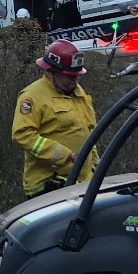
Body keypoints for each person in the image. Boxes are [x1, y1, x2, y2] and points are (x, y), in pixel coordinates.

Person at [12, 39, 99, 196]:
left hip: (82, 182)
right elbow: (22, 135)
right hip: (48, 186)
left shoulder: (78, 94)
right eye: (69, 77)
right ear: (51, 72)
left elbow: (87, 130)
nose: (74, 81)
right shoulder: (32, 96)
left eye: (76, 76)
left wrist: (94, 161)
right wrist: (62, 155)